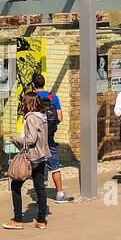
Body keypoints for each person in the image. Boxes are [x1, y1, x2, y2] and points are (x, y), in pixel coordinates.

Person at [6, 91, 51, 228]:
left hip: (31, 156)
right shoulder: (42, 116)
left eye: (24, 101)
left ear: (29, 103)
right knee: (39, 187)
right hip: (42, 155)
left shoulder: (31, 117)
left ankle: (18, 219)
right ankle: (42, 220)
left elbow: (31, 139)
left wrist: (16, 139)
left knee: (15, 185)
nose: (23, 104)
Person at [32, 72, 71, 204]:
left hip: (36, 139)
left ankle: (40, 197)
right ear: (43, 84)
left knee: (37, 167)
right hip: (49, 137)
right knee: (54, 165)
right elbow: (60, 117)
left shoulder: (31, 98)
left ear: (33, 85)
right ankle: (60, 193)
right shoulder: (52, 97)